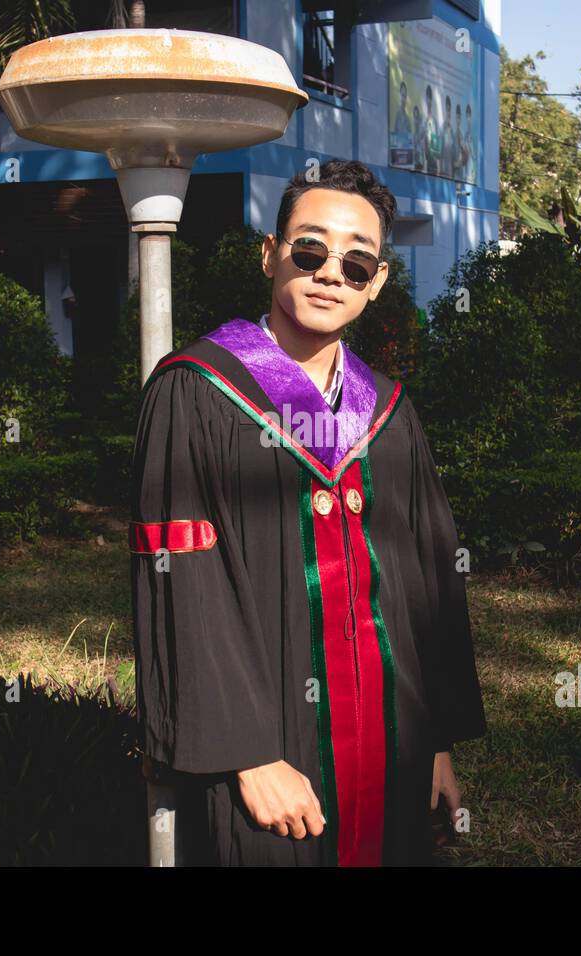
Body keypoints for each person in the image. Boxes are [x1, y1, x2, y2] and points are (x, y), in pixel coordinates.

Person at [130, 160, 487, 866]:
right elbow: (183, 579)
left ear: (378, 282)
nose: (331, 274)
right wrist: (248, 755)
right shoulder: (197, 389)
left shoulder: (387, 409)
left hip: (394, 738)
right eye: (310, 249)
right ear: (271, 254)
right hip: (271, 744)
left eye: (357, 263)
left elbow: (428, 580)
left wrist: (435, 741)